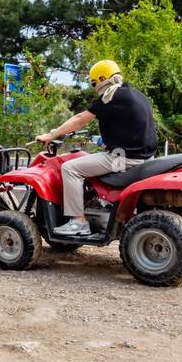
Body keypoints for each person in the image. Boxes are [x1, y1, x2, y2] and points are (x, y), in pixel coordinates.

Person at [34, 59, 158, 237]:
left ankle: (78, 222)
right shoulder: (136, 95)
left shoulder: (111, 95)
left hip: (124, 158)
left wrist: (51, 134)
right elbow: (131, 125)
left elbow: (79, 119)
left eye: (94, 83)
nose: (95, 87)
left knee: (69, 168)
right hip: (144, 156)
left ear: (102, 78)